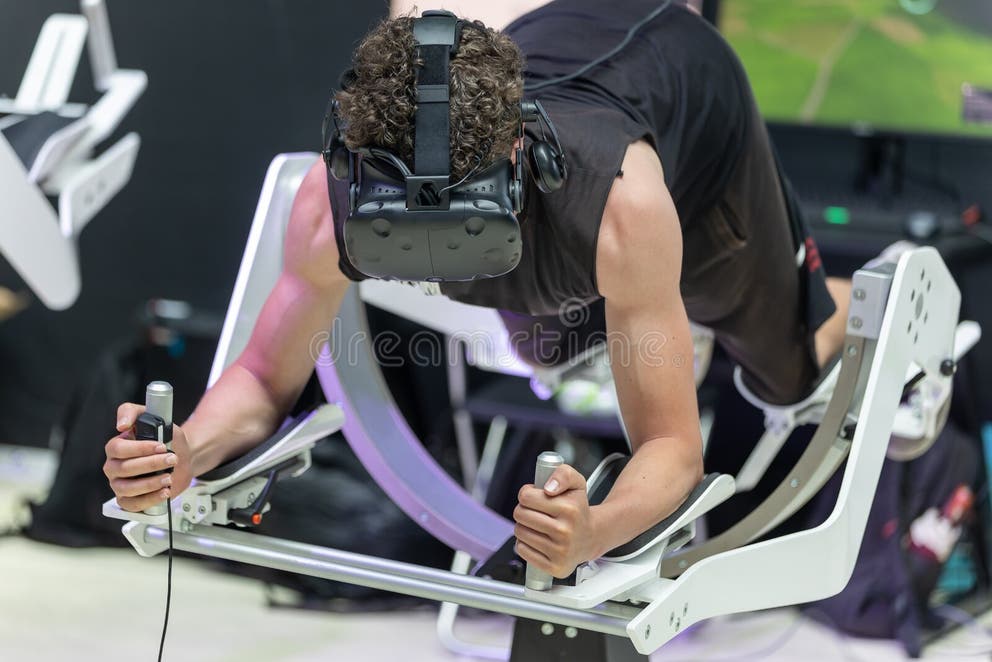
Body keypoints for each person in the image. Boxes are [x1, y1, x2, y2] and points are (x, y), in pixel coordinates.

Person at [104, 0, 854, 580]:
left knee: (788, 376)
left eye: (457, 217)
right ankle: (646, 321)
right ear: (357, 161)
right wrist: (184, 452)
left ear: (518, 146)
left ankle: (839, 306)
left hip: (690, 109)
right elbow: (267, 375)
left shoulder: (622, 202)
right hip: (566, 138)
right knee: (546, 341)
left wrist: (594, 529)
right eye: (402, 220)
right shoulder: (330, 201)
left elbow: (670, 448)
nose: (429, 242)